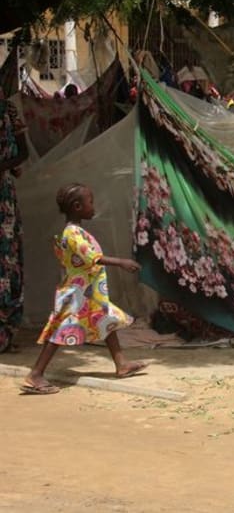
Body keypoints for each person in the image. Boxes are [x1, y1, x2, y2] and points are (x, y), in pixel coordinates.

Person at [21, 183, 146, 394]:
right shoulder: (72, 233)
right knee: (60, 330)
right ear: (78, 206)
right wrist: (121, 262)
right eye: (91, 202)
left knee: (105, 319)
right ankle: (35, 374)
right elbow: (92, 257)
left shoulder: (76, 231)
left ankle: (121, 364)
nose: (93, 206)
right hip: (77, 293)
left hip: (88, 292)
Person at [0, 89, 28, 353]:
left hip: (4, 197)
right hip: (5, 193)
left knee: (7, 261)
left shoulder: (9, 110)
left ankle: (5, 332)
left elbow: (23, 153)